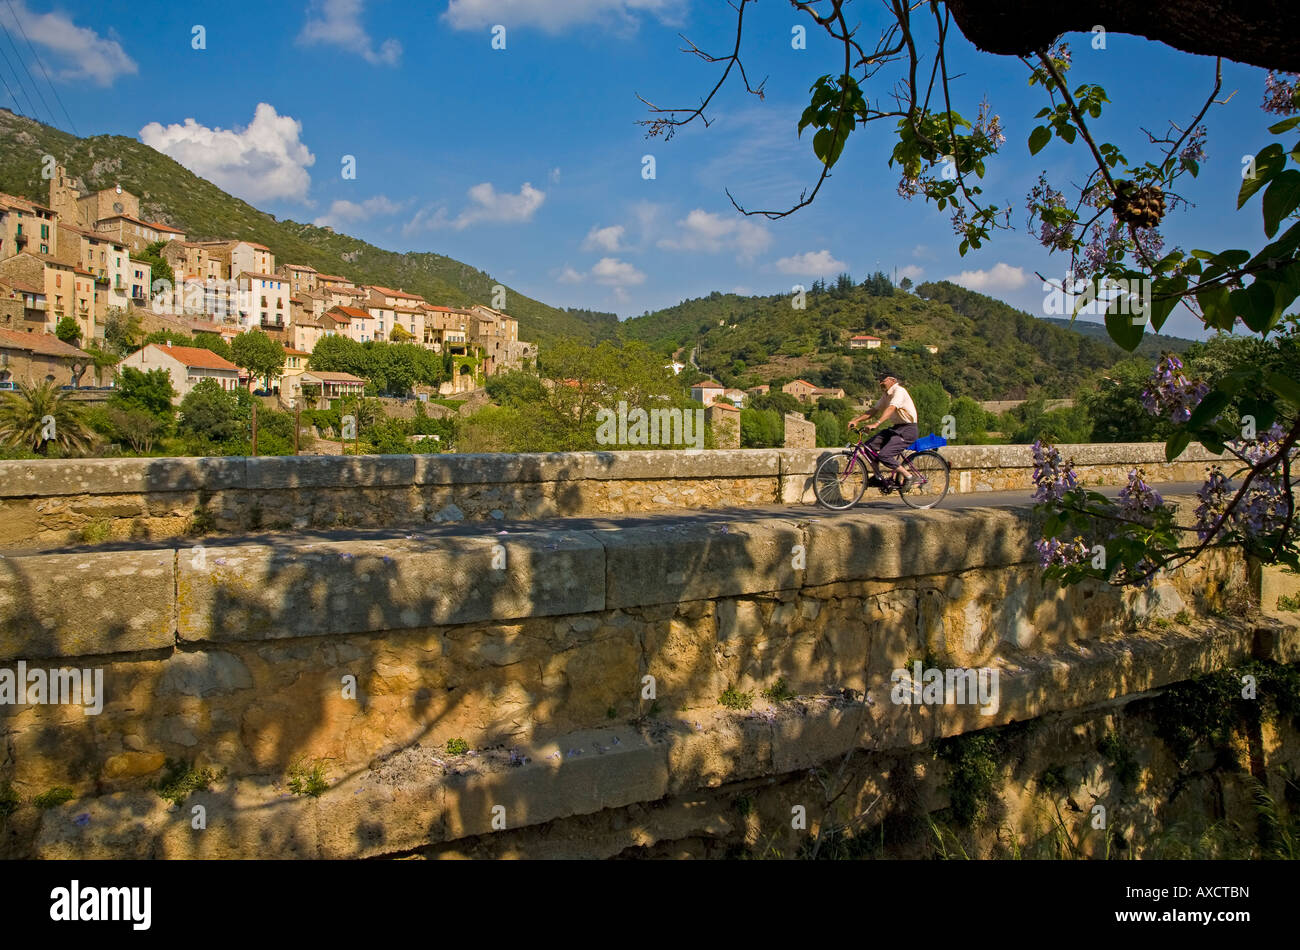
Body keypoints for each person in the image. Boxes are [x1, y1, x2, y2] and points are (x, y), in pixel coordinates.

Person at [848, 371, 919, 488]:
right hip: (896, 428)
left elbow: (891, 408)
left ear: (893, 380)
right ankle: (878, 477)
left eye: (883, 380)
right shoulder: (886, 395)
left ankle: (909, 476)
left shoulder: (899, 391)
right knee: (869, 447)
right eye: (879, 380)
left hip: (908, 430)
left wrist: (876, 423)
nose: (880, 383)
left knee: (885, 455)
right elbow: (874, 410)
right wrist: (856, 420)